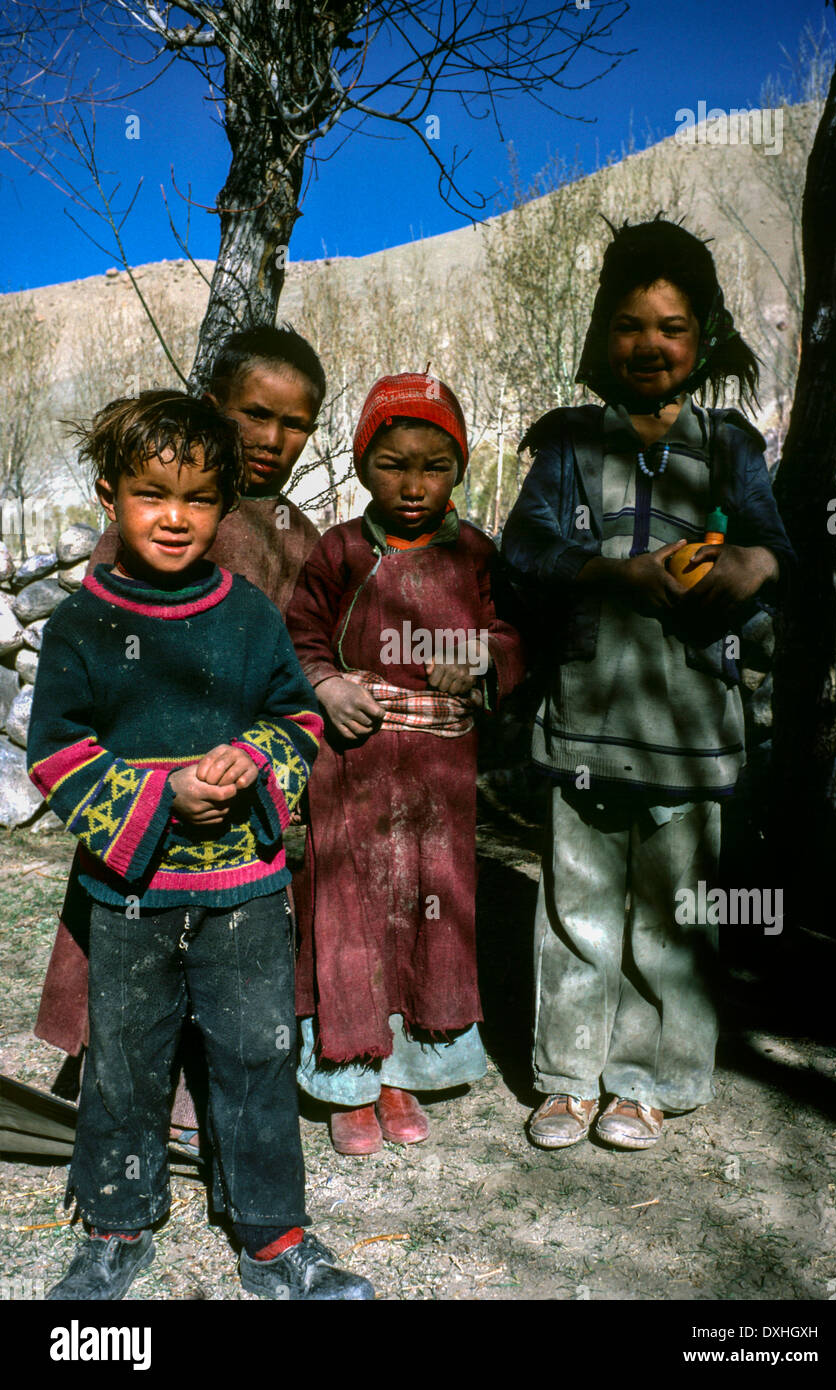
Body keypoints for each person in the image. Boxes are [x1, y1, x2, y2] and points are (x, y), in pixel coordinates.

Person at [27, 392, 373, 1300]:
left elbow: (297, 715)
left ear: (223, 506)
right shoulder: (79, 626)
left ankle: (274, 1236)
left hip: (246, 892)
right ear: (110, 497)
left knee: (258, 1051)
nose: (174, 518)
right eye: (150, 494)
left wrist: (254, 760)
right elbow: (57, 754)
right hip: (129, 896)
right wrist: (160, 795)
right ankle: (114, 1225)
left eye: (197, 498)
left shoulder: (250, 616)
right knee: (125, 1060)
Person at [501, 217, 796, 1152]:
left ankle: (647, 1082)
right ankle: (566, 1077)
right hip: (587, 715)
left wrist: (753, 567)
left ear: (703, 336)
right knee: (578, 906)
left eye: (671, 326)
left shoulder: (731, 448)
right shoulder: (569, 445)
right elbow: (525, 551)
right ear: (601, 331)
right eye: (630, 324)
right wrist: (616, 574)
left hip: (691, 723)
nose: (650, 345)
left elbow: (779, 553)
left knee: (672, 917)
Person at [35, 326, 324, 1151]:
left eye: (296, 423)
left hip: (245, 796)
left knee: (241, 957)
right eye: (254, 414)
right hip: (146, 788)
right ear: (212, 409)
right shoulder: (154, 518)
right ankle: (124, 1078)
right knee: (130, 960)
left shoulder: (300, 534)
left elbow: (302, 657)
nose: (272, 439)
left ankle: (220, 1085)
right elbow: (94, 669)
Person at [287, 373, 525, 1155]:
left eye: (434, 465)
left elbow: (511, 637)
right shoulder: (339, 550)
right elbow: (302, 637)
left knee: (429, 908)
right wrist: (323, 685)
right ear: (361, 466)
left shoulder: (476, 554)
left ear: (458, 469)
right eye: (392, 463)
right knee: (349, 910)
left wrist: (481, 657)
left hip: (440, 775)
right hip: (352, 763)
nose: (414, 484)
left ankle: (403, 1072)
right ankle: (348, 1076)